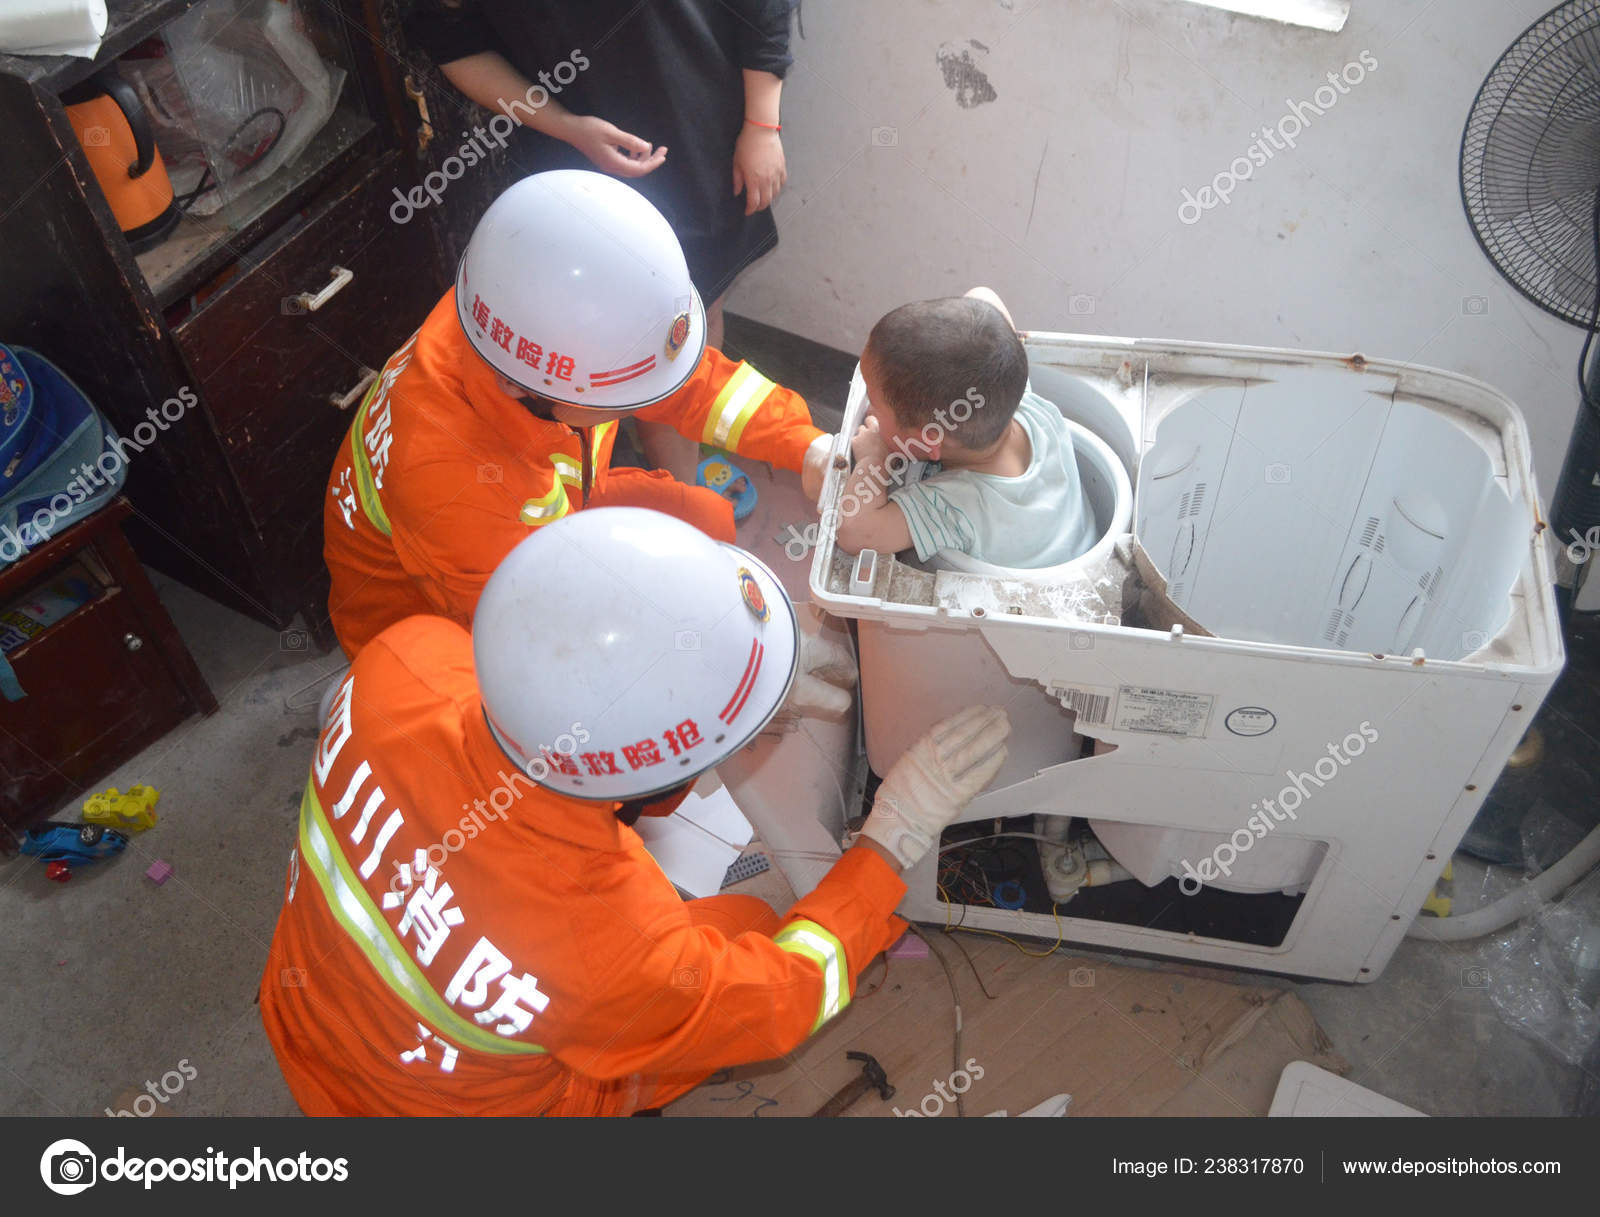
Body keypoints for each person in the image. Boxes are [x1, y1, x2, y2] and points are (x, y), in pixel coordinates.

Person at [261, 507, 1011, 1116]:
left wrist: (718, 698)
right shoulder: (606, 945)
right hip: (460, 1112)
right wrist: (887, 843)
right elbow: (785, 996)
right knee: (750, 943)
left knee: (716, 942)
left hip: (309, 1023)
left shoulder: (403, 658)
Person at [324, 170, 831, 659]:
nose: (639, 406)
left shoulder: (521, 322)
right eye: (621, 395)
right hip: (436, 635)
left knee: (705, 522)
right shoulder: (447, 477)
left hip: (541, 520)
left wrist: (807, 447)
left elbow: (690, 385)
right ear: (521, 387)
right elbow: (523, 633)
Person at [406, 0, 793, 477]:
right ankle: (654, 481)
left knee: (697, 309)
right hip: (573, 158)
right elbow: (454, 41)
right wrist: (565, 127)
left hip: (699, 134)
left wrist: (762, 124)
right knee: (602, 342)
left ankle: (677, 479)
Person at [832, 289, 1100, 568]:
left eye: (875, 402)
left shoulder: (954, 505)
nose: (871, 410)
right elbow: (985, 294)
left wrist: (872, 459)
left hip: (1033, 601)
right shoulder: (1025, 405)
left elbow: (854, 533)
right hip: (1084, 555)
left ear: (928, 440)